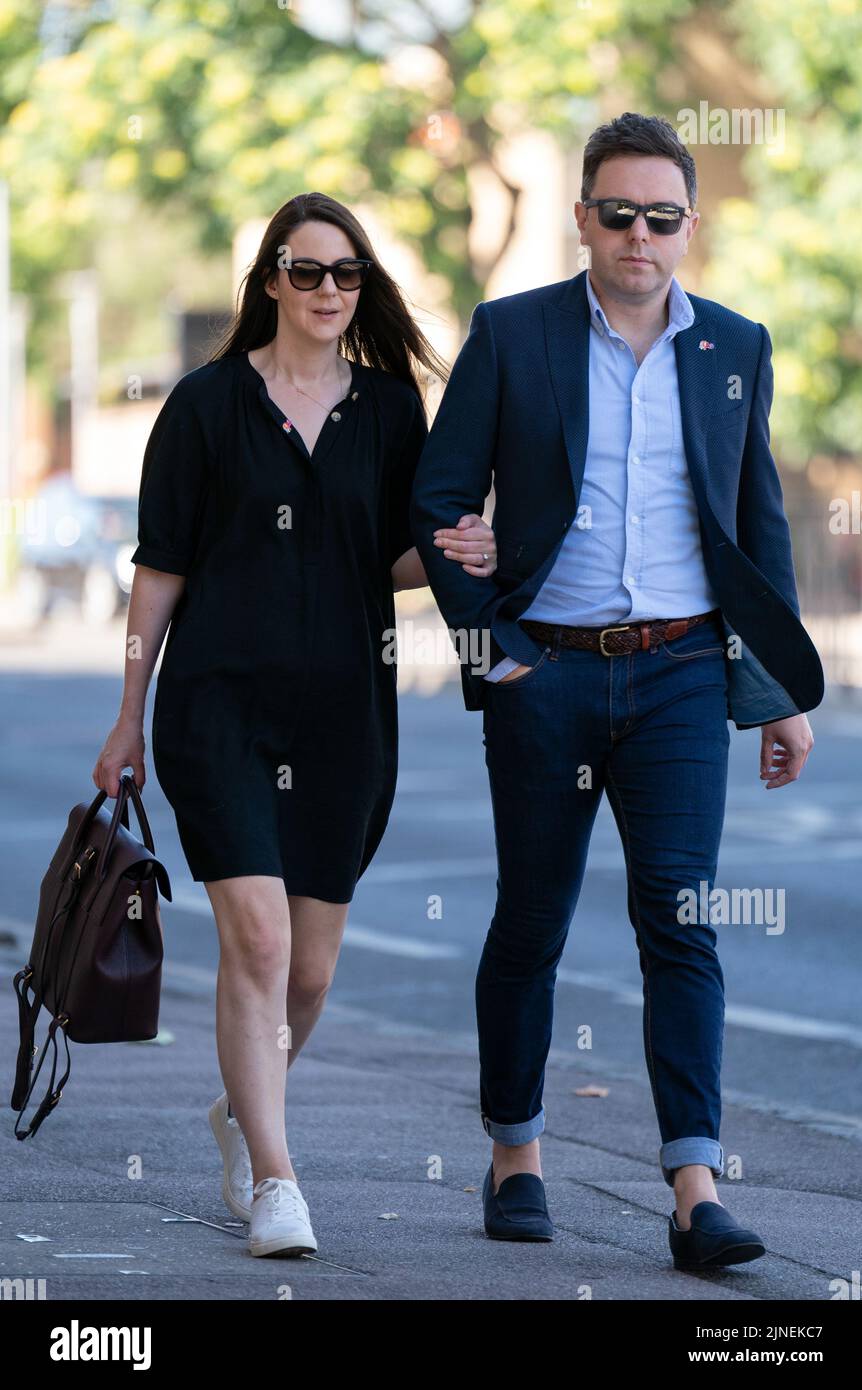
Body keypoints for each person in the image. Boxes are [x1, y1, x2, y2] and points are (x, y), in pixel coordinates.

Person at [410, 113, 824, 1268]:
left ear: (691, 226)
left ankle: (695, 1187)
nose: (640, 235)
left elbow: (757, 525)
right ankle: (516, 1151)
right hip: (547, 668)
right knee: (532, 920)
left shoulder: (735, 346)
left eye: (663, 216)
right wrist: (494, 654)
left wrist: (779, 688)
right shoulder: (513, 334)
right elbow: (439, 507)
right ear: (582, 217)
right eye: (618, 213)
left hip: (686, 671)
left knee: (682, 922)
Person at [93, 192, 498, 1259]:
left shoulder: (388, 408)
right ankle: (277, 1178)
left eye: (347, 274)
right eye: (306, 270)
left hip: (347, 719)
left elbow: (392, 558)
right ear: (270, 280)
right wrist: (127, 714)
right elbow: (160, 570)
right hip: (217, 708)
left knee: (309, 972)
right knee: (258, 940)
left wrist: (460, 549)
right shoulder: (206, 405)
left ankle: (240, 1108)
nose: (328, 291)